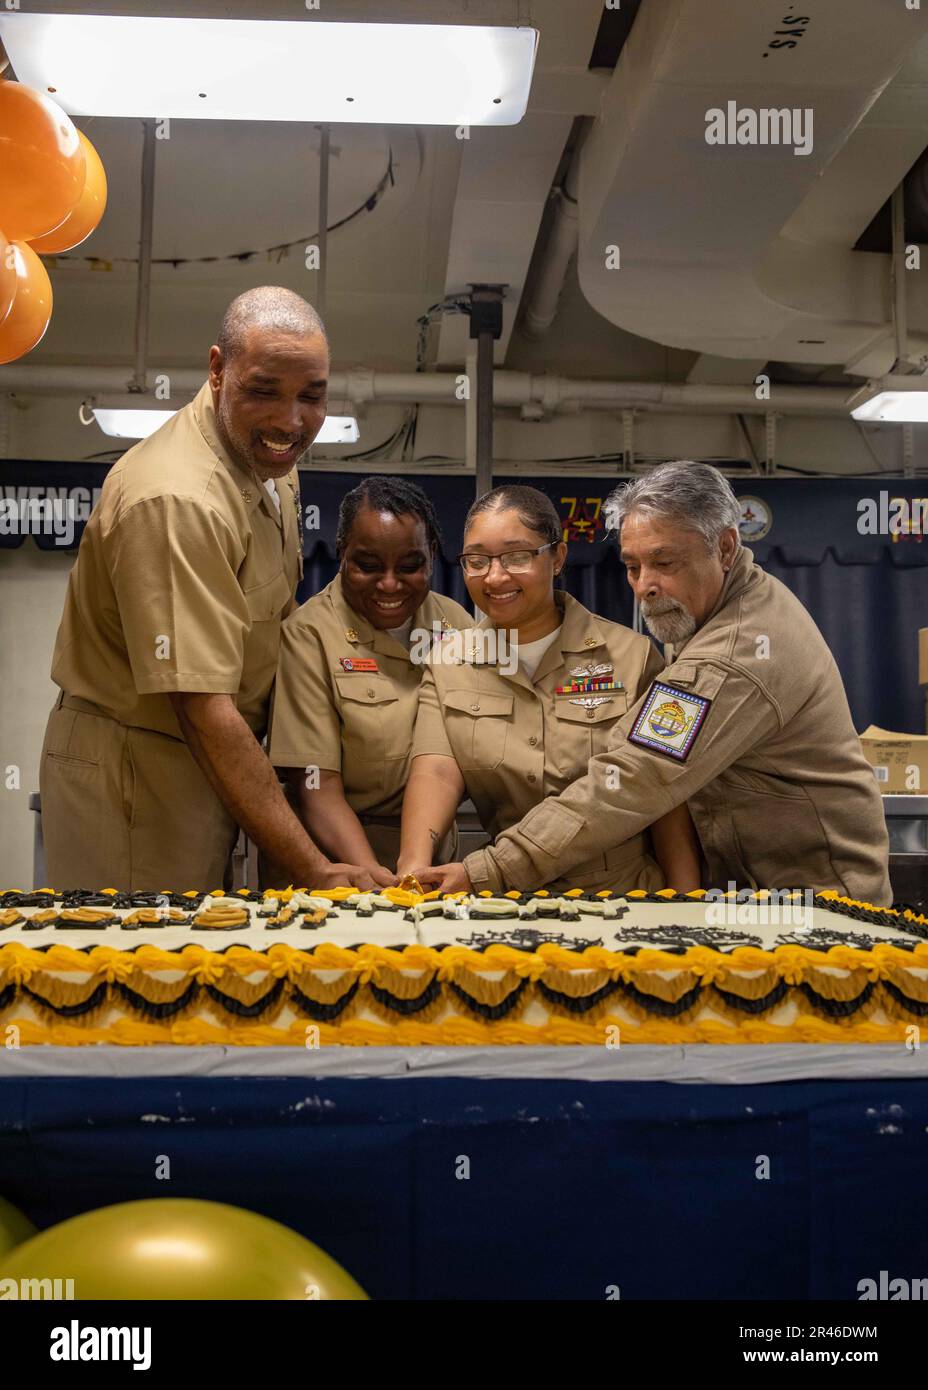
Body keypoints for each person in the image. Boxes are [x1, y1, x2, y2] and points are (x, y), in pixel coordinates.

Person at [40, 286, 391, 893]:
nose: (291, 421)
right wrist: (314, 868)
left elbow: (277, 623)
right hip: (137, 767)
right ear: (216, 369)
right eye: (263, 391)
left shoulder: (268, 461)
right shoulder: (177, 499)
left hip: (211, 756)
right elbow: (202, 707)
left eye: (312, 396)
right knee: (143, 967)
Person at [417, 463, 892, 904]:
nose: (644, 585)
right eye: (632, 565)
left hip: (816, 907)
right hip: (756, 895)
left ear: (725, 548)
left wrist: (489, 871)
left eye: (665, 563)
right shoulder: (704, 614)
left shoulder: (731, 654)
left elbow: (632, 778)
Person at [399, 484, 702, 893]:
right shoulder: (449, 662)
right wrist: (413, 865)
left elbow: (664, 792)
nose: (495, 576)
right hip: (505, 897)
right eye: (477, 560)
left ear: (557, 557)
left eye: (517, 556)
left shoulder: (632, 657)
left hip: (623, 895)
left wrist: (685, 901)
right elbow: (435, 771)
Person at [264, 477, 471, 879]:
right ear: (342, 554)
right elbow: (315, 785)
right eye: (368, 565)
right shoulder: (309, 635)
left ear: (432, 556)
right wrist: (372, 875)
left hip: (432, 854)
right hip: (335, 857)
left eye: (410, 566)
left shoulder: (456, 625)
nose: (390, 584)